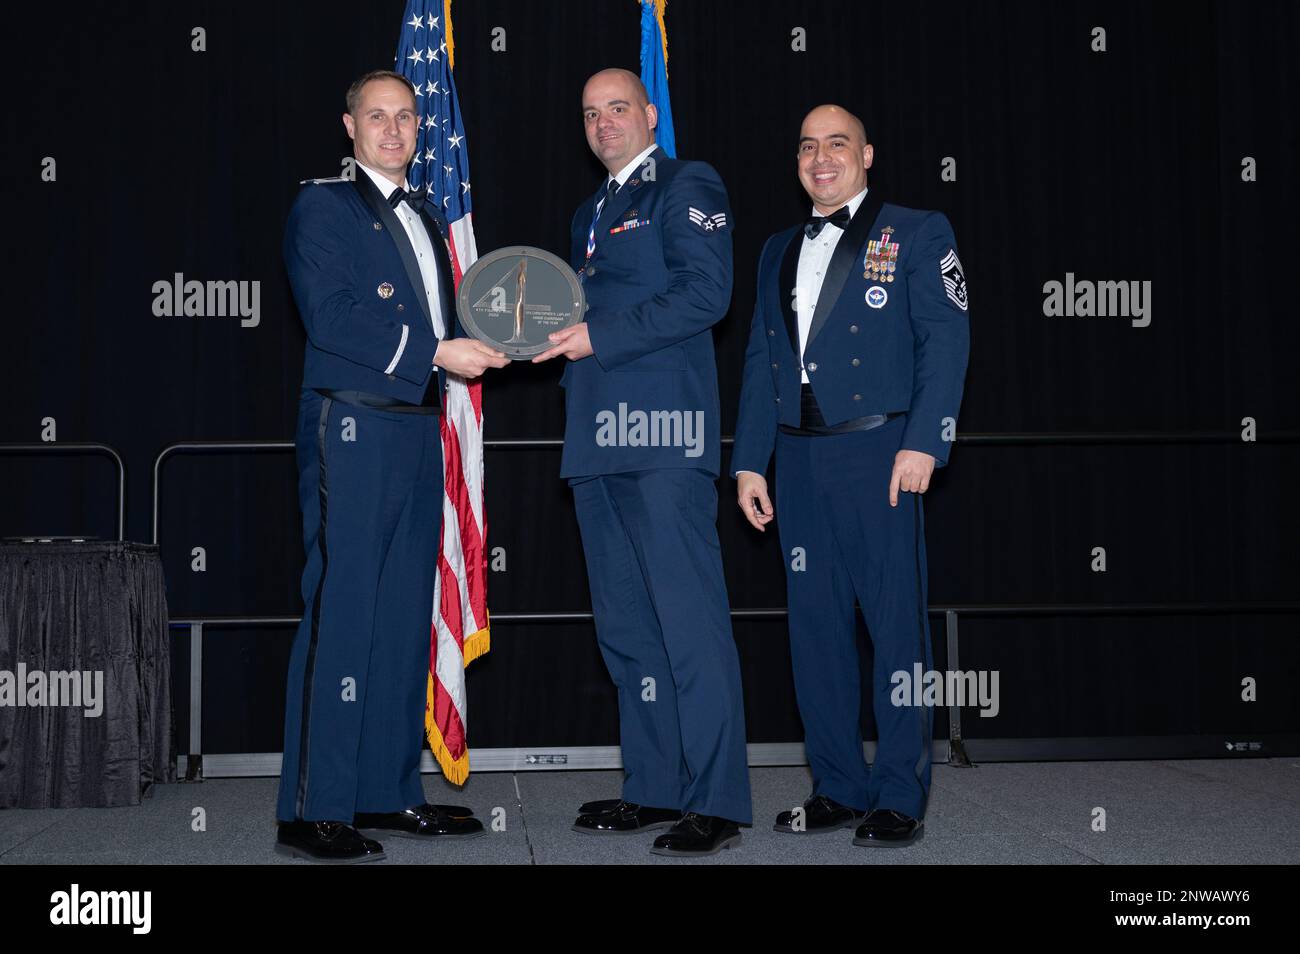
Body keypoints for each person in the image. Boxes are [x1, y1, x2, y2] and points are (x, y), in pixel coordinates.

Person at [275, 69, 509, 863]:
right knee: (343, 611)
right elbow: (333, 316)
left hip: (418, 428)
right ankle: (313, 807)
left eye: (406, 117)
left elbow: (455, 320)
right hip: (353, 424)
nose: (394, 129)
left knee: (407, 613)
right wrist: (442, 353)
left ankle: (385, 791)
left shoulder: (433, 215)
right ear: (350, 127)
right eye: (377, 116)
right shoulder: (323, 206)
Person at [732, 104, 970, 847]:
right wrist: (747, 460)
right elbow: (760, 360)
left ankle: (900, 792)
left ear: (867, 154)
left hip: (880, 454)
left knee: (897, 628)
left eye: (837, 143)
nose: (821, 157)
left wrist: (925, 441)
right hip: (798, 461)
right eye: (807, 146)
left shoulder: (917, 230)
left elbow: (947, 337)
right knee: (816, 632)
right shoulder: (775, 248)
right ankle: (836, 784)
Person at [532, 68, 752, 857]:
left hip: (662, 436)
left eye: (617, 108)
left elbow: (708, 294)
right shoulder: (588, 213)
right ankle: (655, 785)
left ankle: (718, 798)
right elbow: (574, 319)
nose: (603, 123)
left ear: (649, 112)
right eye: (590, 114)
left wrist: (598, 338)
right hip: (595, 442)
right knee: (627, 629)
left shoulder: (687, 182)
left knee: (688, 621)